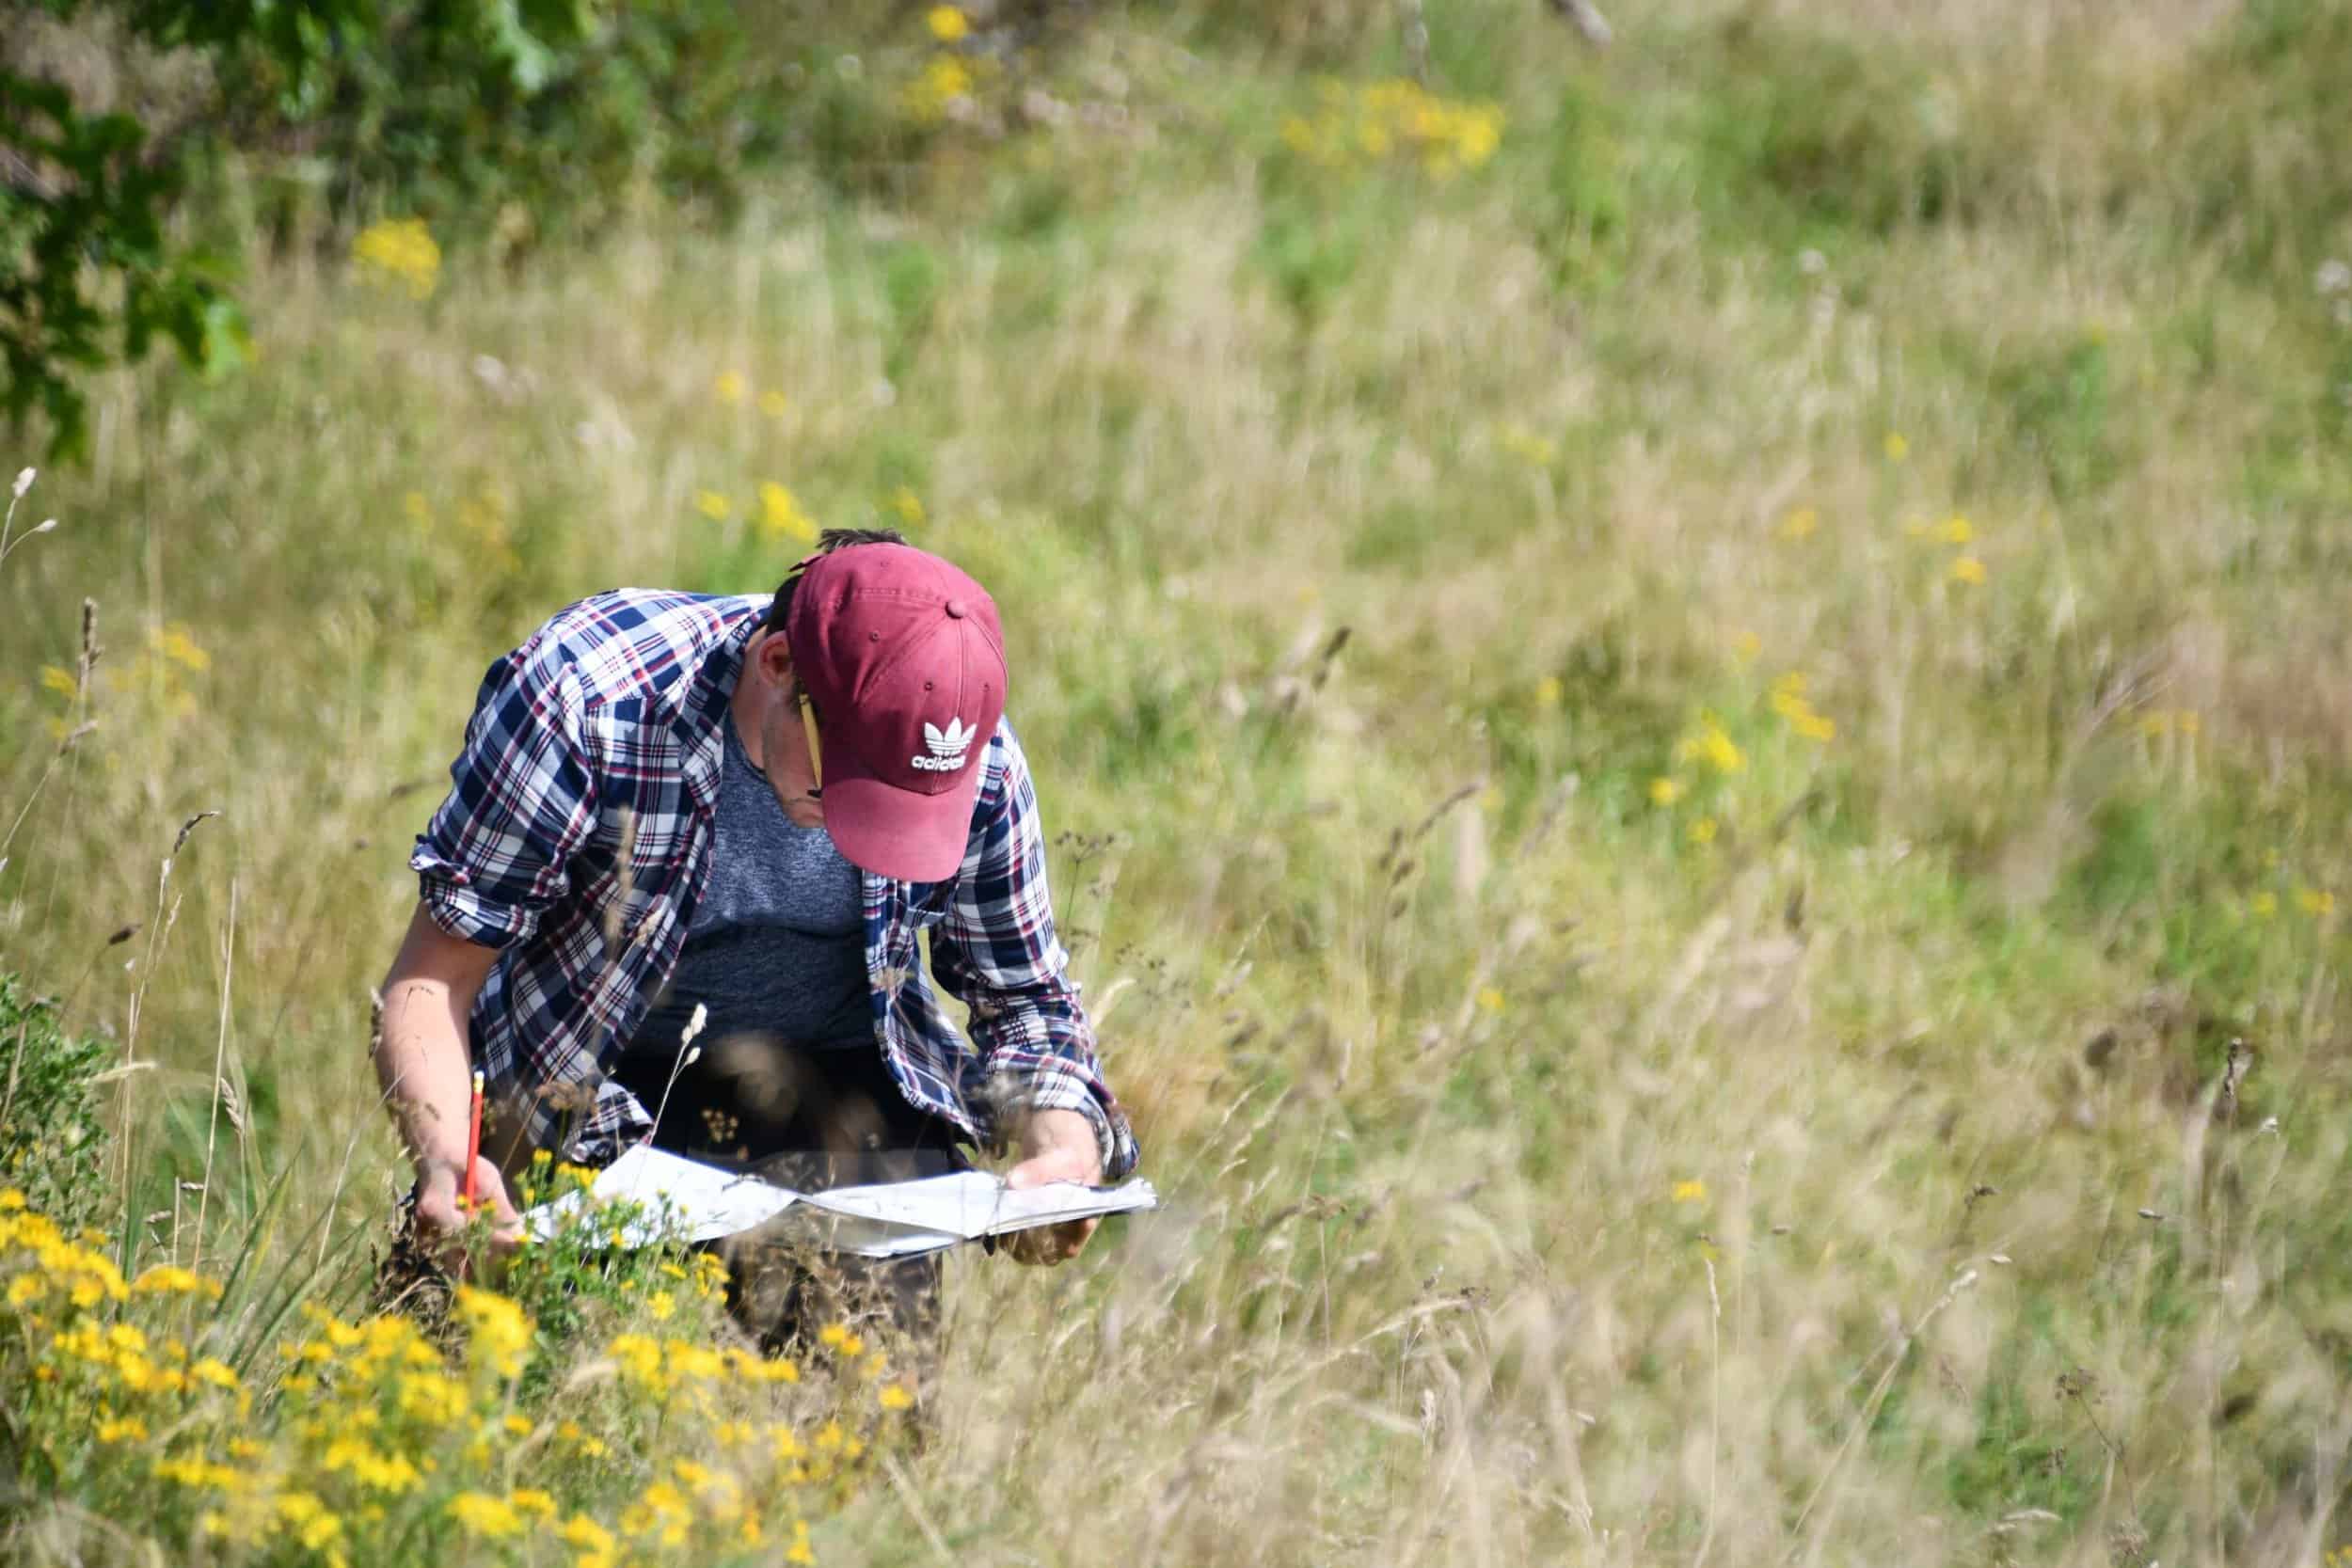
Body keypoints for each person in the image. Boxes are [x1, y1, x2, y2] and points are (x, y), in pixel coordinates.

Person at [373, 530, 1136, 1354]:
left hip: (836, 1094)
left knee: (857, 1447)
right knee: (491, 1406)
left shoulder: (960, 753)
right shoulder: (586, 701)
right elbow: (431, 983)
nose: (862, 823)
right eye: (848, 776)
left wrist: (1065, 1145)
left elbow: (1023, 995)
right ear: (778, 666)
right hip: (581, 1086)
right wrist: (450, 1163)